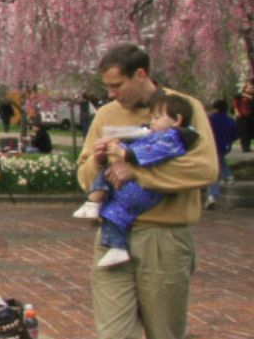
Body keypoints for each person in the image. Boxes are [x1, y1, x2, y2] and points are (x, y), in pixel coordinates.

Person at [76, 44, 217, 339]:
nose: (111, 94)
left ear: (141, 75)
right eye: (107, 86)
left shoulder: (184, 108)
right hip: (112, 236)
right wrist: (97, 160)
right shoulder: (107, 115)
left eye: (117, 85)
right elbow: (85, 177)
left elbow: (204, 169)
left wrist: (138, 171)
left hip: (163, 238)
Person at [75, 93, 200, 268]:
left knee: (113, 207)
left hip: (152, 214)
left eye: (157, 118)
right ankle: (116, 247)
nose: (152, 122)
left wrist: (123, 153)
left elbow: (149, 153)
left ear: (177, 120)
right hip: (137, 201)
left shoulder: (171, 138)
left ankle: (94, 203)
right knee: (113, 211)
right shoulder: (108, 113)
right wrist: (103, 155)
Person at [206, 99, 238, 209]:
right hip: (225, 146)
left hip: (212, 146)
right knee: (219, 161)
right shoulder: (230, 120)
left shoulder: (211, 119)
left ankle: (212, 195)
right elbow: (235, 134)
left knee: (215, 170)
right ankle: (228, 177)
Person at [234, 81, 254, 153]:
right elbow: (235, 104)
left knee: (249, 133)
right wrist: (237, 112)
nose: (251, 89)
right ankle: (245, 147)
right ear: (245, 89)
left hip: (251, 117)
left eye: (252, 87)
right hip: (242, 117)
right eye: (249, 88)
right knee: (244, 133)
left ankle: (247, 146)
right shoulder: (239, 96)